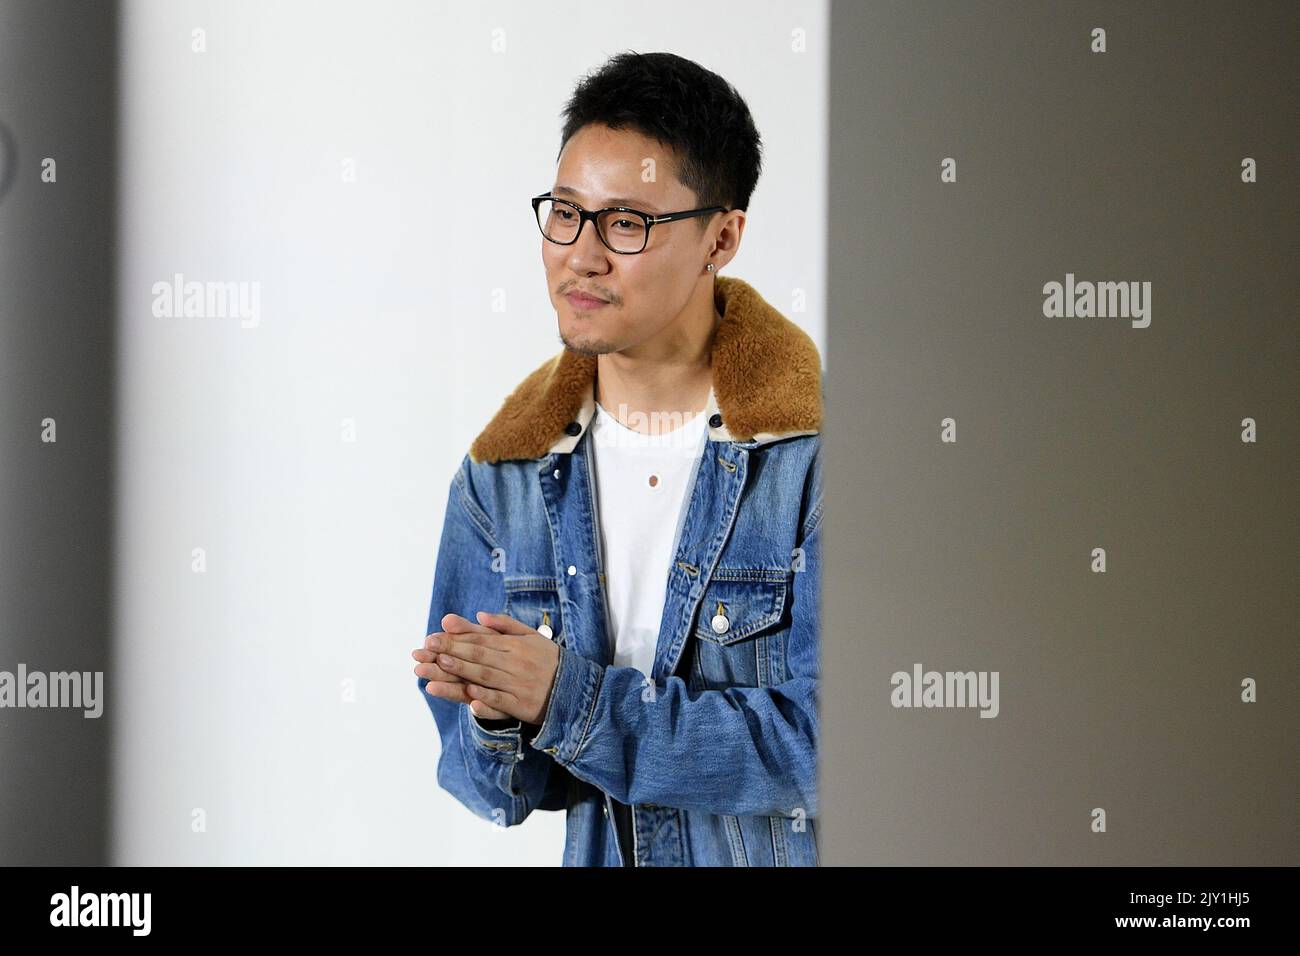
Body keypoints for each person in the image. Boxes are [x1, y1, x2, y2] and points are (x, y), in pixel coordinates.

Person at [412, 50, 823, 866]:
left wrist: (568, 698)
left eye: (627, 222)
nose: (582, 255)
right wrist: (500, 717)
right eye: (564, 213)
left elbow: (827, 748)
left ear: (722, 237)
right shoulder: (506, 474)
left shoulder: (812, 459)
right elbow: (487, 788)